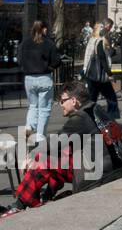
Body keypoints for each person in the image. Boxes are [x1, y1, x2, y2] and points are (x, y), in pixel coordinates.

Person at [2, 84, 100, 216]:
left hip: (95, 172)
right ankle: (46, 196)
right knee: (58, 154)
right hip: (100, 166)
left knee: (43, 160)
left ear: (73, 101)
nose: (61, 104)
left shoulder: (81, 118)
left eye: (63, 101)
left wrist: (32, 154)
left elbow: (55, 142)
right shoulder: (94, 109)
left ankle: (19, 205)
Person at [20, 21, 60, 143]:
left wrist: (26, 68)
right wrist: (49, 68)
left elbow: (19, 59)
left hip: (29, 78)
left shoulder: (25, 43)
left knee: (33, 105)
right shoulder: (49, 43)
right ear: (43, 29)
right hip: (44, 77)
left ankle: (29, 126)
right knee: (44, 108)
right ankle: (40, 135)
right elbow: (56, 61)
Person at [81, 22, 119, 121]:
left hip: (91, 75)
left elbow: (88, 57)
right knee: (111, 98)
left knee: (92, 99)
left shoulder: (91, 40)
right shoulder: (99, 42)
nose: (104, 30)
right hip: (100, 75)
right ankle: (111, 120)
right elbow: (102, 59)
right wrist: (109, 74)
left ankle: (88, 119)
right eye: (101, 28)